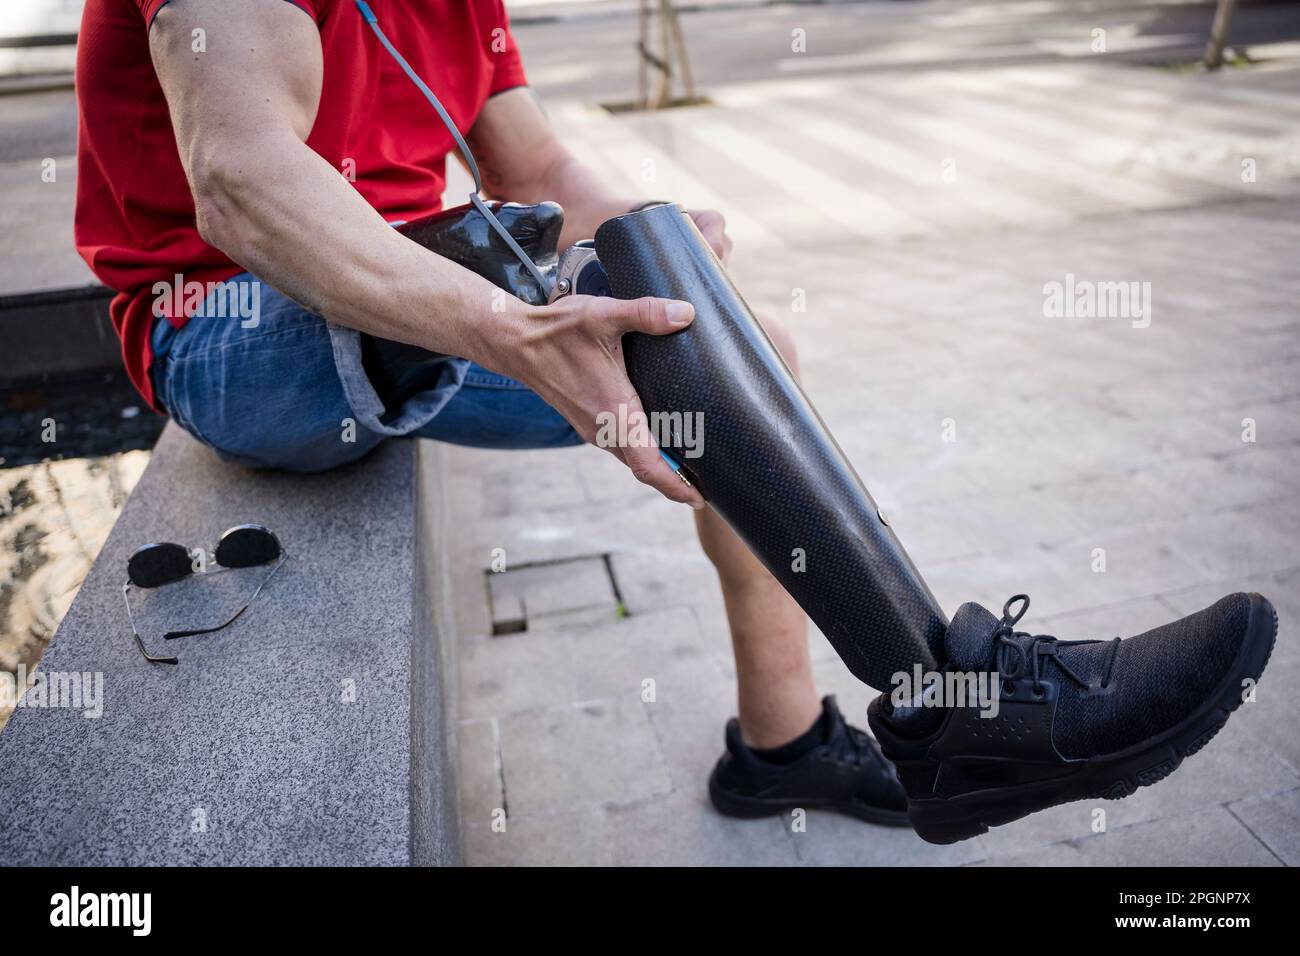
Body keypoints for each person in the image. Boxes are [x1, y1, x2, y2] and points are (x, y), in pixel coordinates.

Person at [76, 0, 1276, 844]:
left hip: (411, 295)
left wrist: (666, 239)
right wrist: (507, 325)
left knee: (733, 352)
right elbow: (238, 179)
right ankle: (967, 696)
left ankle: (796, 739)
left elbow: (533, 160)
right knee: (658, 343)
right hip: (228, 332)